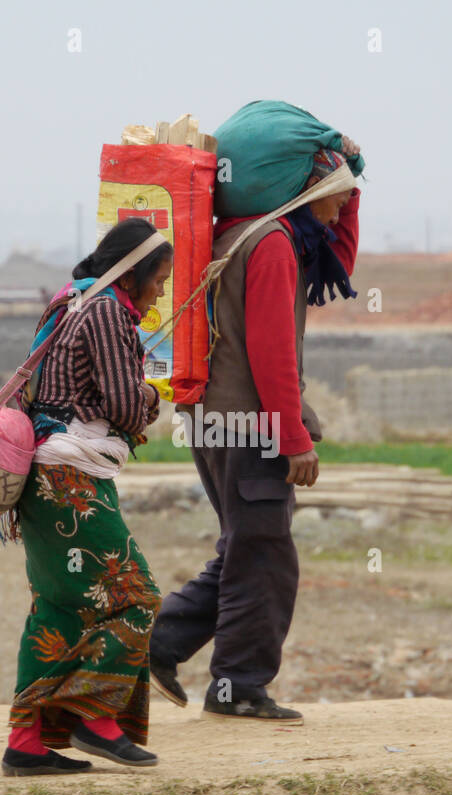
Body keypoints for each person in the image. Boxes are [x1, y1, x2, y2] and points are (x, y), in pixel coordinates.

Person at [148, 139, 362, 724]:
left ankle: (159, 643)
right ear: (307, 188)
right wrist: (294, 440)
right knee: (265, 554)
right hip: (249, 424)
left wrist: (355, 185)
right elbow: (271, 353)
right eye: (340, 189)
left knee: (246, 546)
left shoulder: (242, 232)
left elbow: (339, 258)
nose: (345, 202)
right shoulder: (271, 245)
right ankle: (238, 686)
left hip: (216, 419)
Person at [0, 218, 171, 775]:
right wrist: (153, 394)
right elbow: (124, 405)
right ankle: (94, 718)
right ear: (137, 272)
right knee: (136, 594)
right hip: (68, 477)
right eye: (160, 279)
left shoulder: (70, 303)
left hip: (42, 476)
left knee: (58, 605)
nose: (162, 292)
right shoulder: (107, 312)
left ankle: (25, 743)